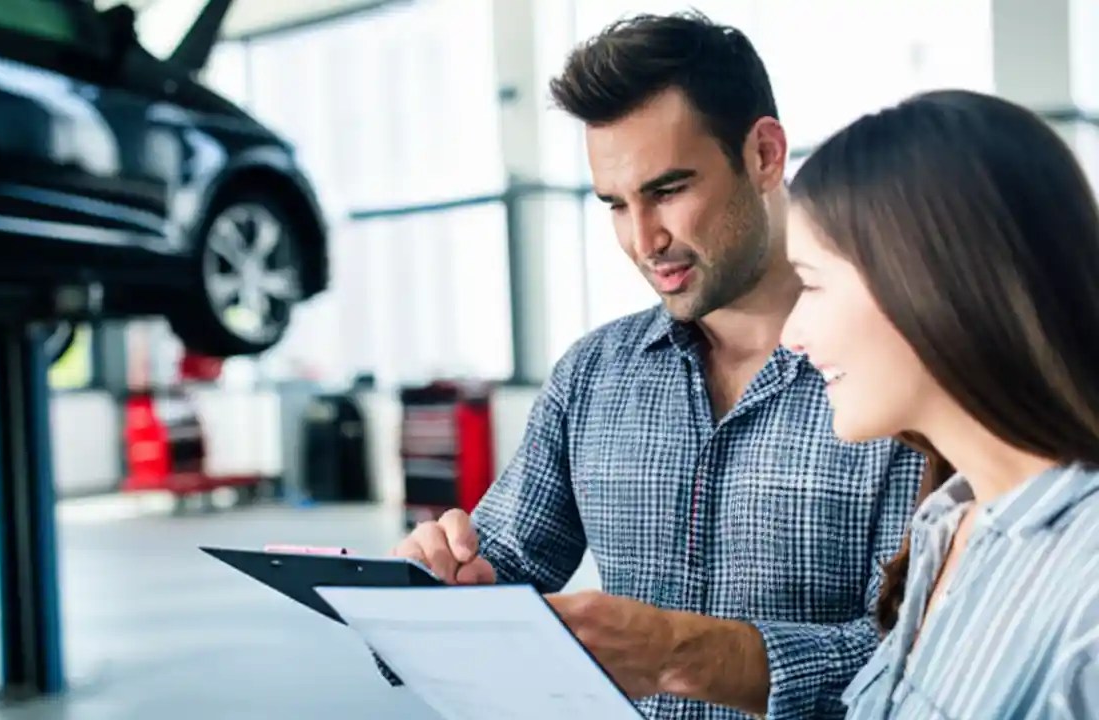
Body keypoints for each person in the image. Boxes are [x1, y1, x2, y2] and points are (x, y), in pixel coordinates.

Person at [390, 12, 924, 720]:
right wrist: (437, 583)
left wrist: (691, 656)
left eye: (669, 190)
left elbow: (922, 658)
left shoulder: (899, 372)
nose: (644, 241)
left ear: (764, 154)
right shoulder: (593, 376)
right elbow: (505, 568)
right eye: (615, 204)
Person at [782, 89, 1099, 718]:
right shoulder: (946, 524)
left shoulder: (1085, 585)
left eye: (812, 284)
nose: (791, 335)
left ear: (929, 285)